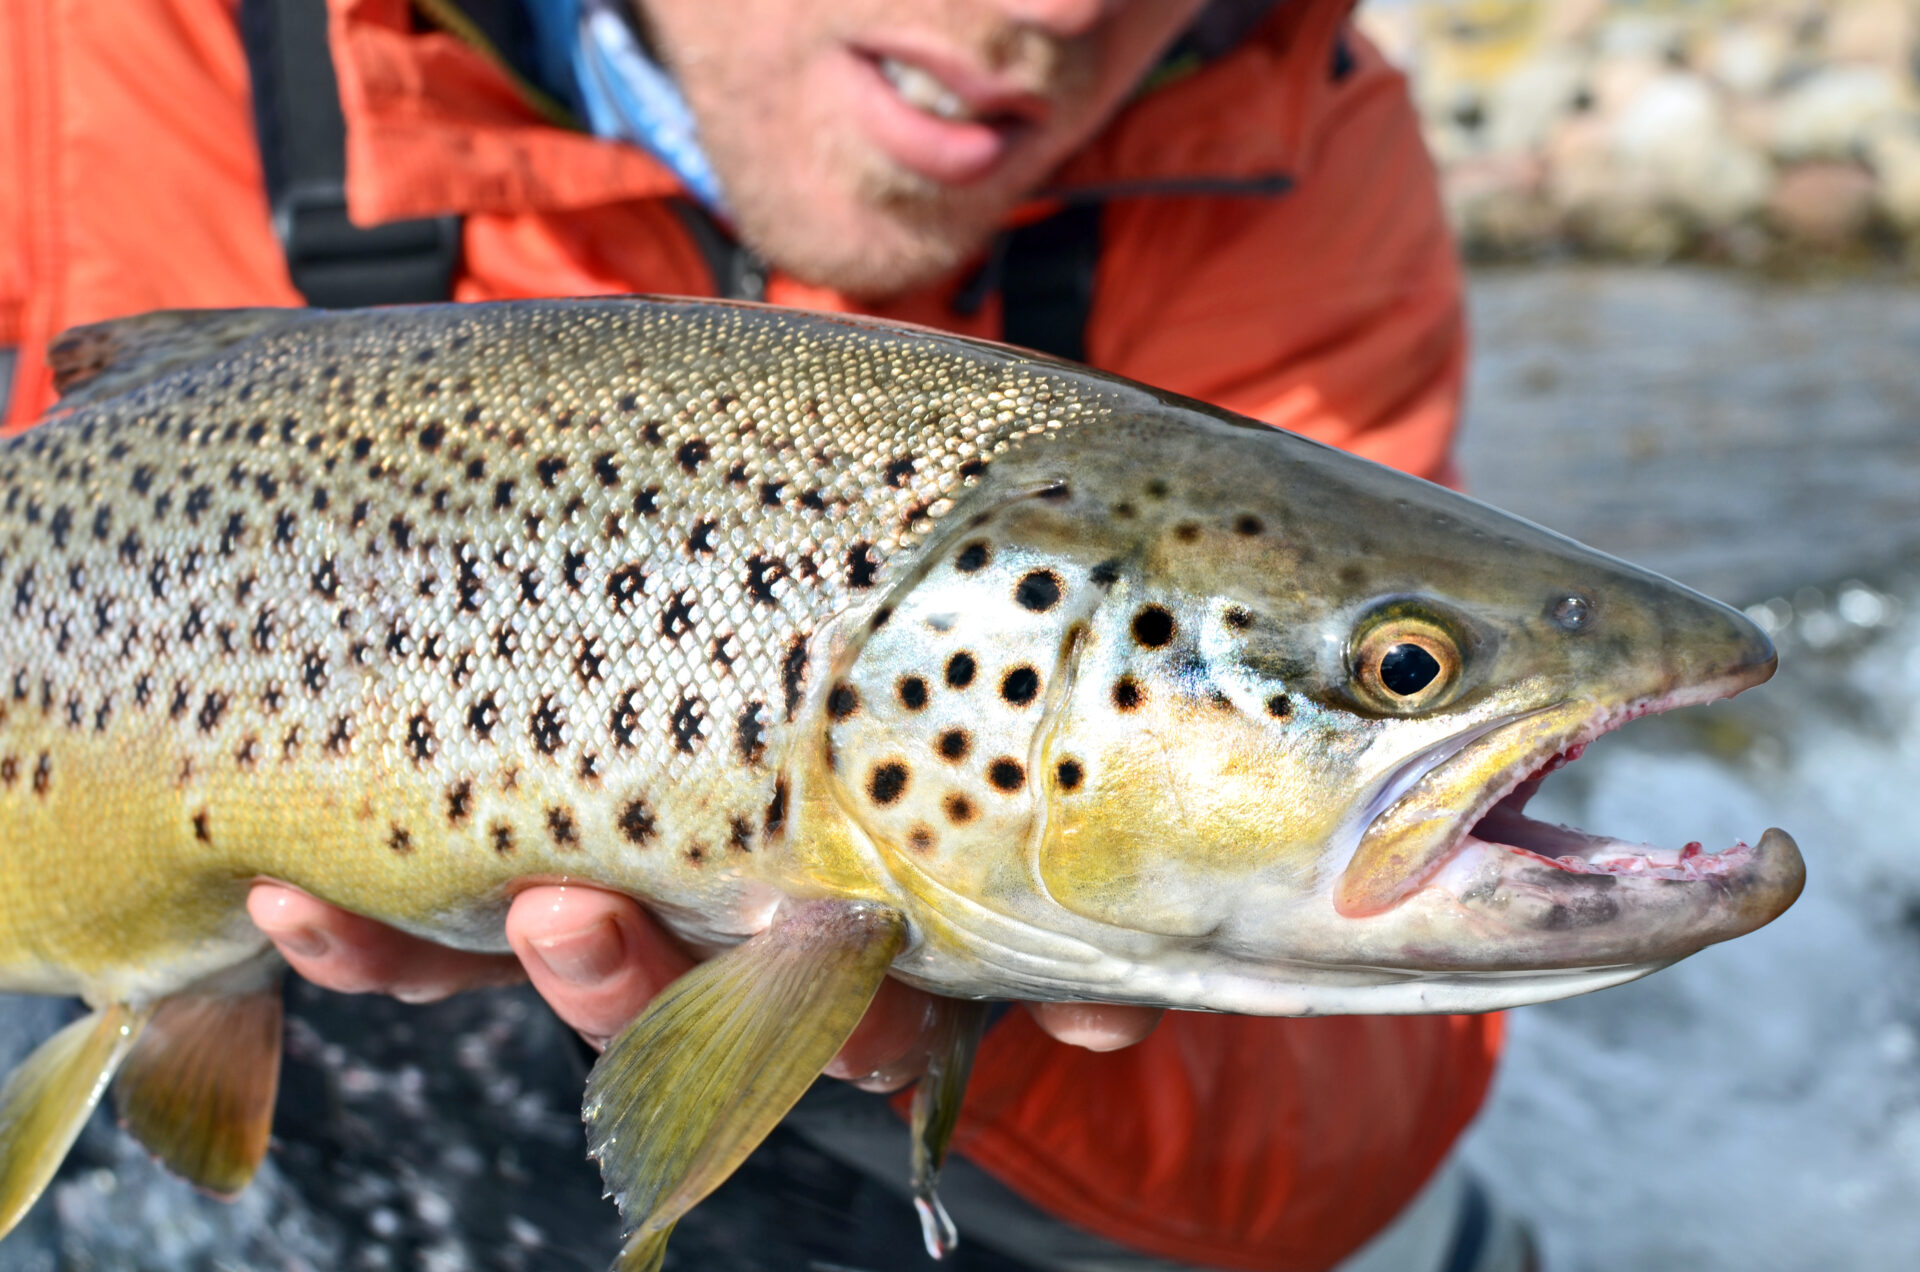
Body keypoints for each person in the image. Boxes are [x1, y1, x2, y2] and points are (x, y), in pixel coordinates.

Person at [0, 1, 1527, 1268]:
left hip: (935, 1031)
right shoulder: (115, 36)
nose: (1055, 13)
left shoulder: (1289, 136)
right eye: (1404, 670)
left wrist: (935, 1037)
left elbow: (1345, 1125)